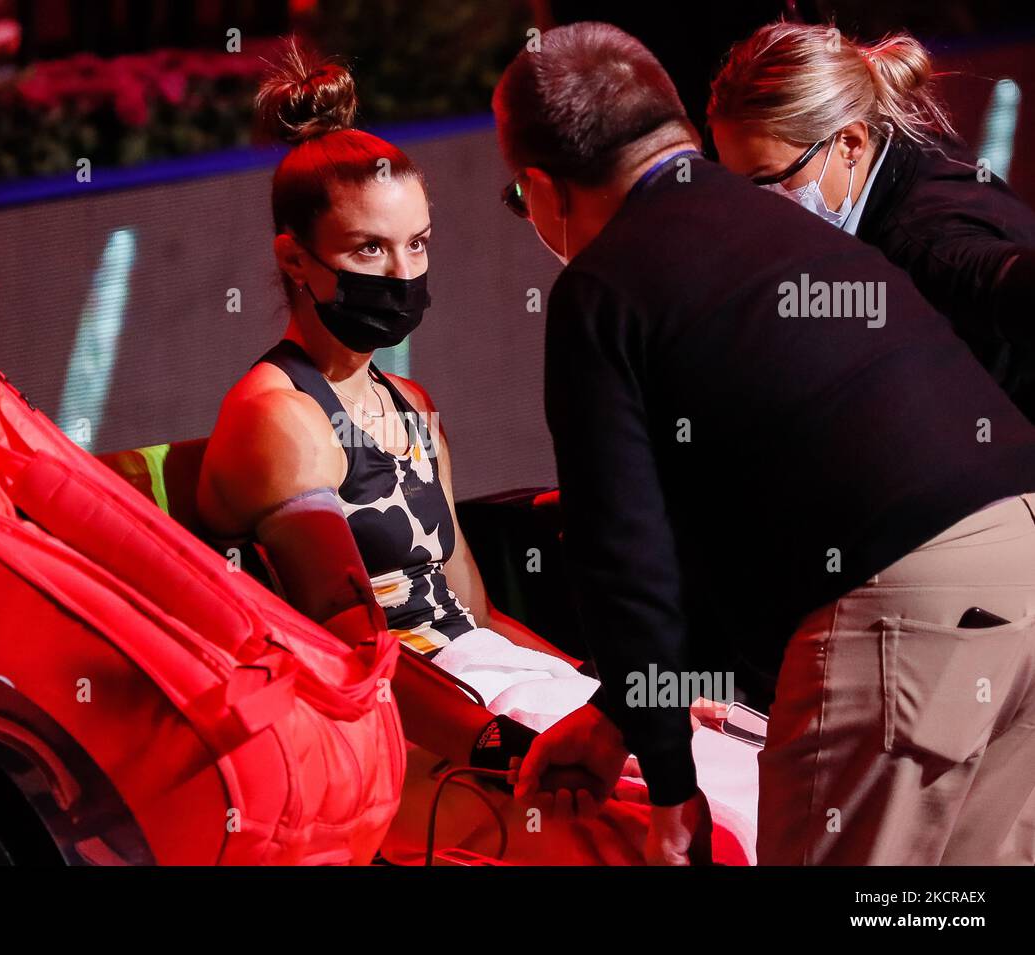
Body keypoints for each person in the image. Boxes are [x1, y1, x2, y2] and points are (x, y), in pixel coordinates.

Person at [493, 21, 1035, 865]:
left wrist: (671, 790)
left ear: (541, 186)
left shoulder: (602, 289)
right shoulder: (803, 226)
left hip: (905, 612)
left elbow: (625, 558)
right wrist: (622, 720)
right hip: (1020, 569)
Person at [196, 44, 602, 772]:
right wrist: (505, 751)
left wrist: (600, 700)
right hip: (407, 732)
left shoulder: (411, 405)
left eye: (417, 244)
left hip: (482, 688)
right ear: (295, 260)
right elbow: (355, 652)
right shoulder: (280, 418)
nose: (403, 273)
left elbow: (472, 613)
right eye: (370, 249)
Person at [708, 21, 1035, 420]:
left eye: (767, 179)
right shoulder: (902, 150)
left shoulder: (922, 243)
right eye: (736, 185)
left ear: (850, 142)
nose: (752, 206)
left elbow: (995, 277)